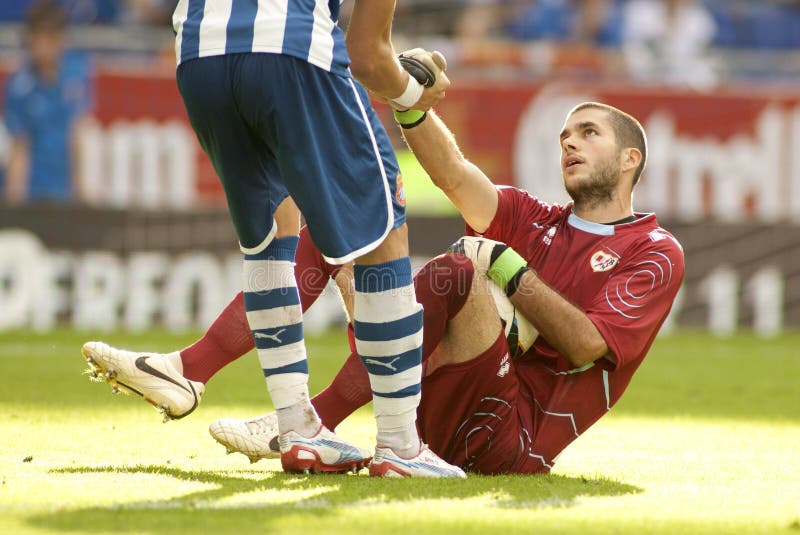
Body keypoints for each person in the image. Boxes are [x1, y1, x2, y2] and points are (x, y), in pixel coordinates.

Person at [83, 85, 684, 474]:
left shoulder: (655, 252)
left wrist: (504, 265)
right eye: (564, 136)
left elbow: (586, 347)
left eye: (588, 133)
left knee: (457, 271)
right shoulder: (534, 217)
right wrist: (411, 102)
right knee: (347, 224)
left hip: (508, 439)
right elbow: (453, 173)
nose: (569, 142)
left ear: (630, 159)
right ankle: (192, 369)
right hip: (425, 407)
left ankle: (310, 421)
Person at [82, 1, 462, 478]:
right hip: (290, 51)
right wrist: (413, 93)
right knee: (382, 235)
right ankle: (401, 447)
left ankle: (297, 426)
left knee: (271, 237)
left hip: (198, 56)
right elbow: (367, 57)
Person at [3, 0, 93, 204]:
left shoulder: (76, 74)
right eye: (37, 39)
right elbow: (19, 147)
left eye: (49, 39)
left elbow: (76, 135)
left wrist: (81, 192)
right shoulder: (19, 86)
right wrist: (13, 202)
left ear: (61, 39)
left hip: (65, 192)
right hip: (33, 192)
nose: (43, 47)